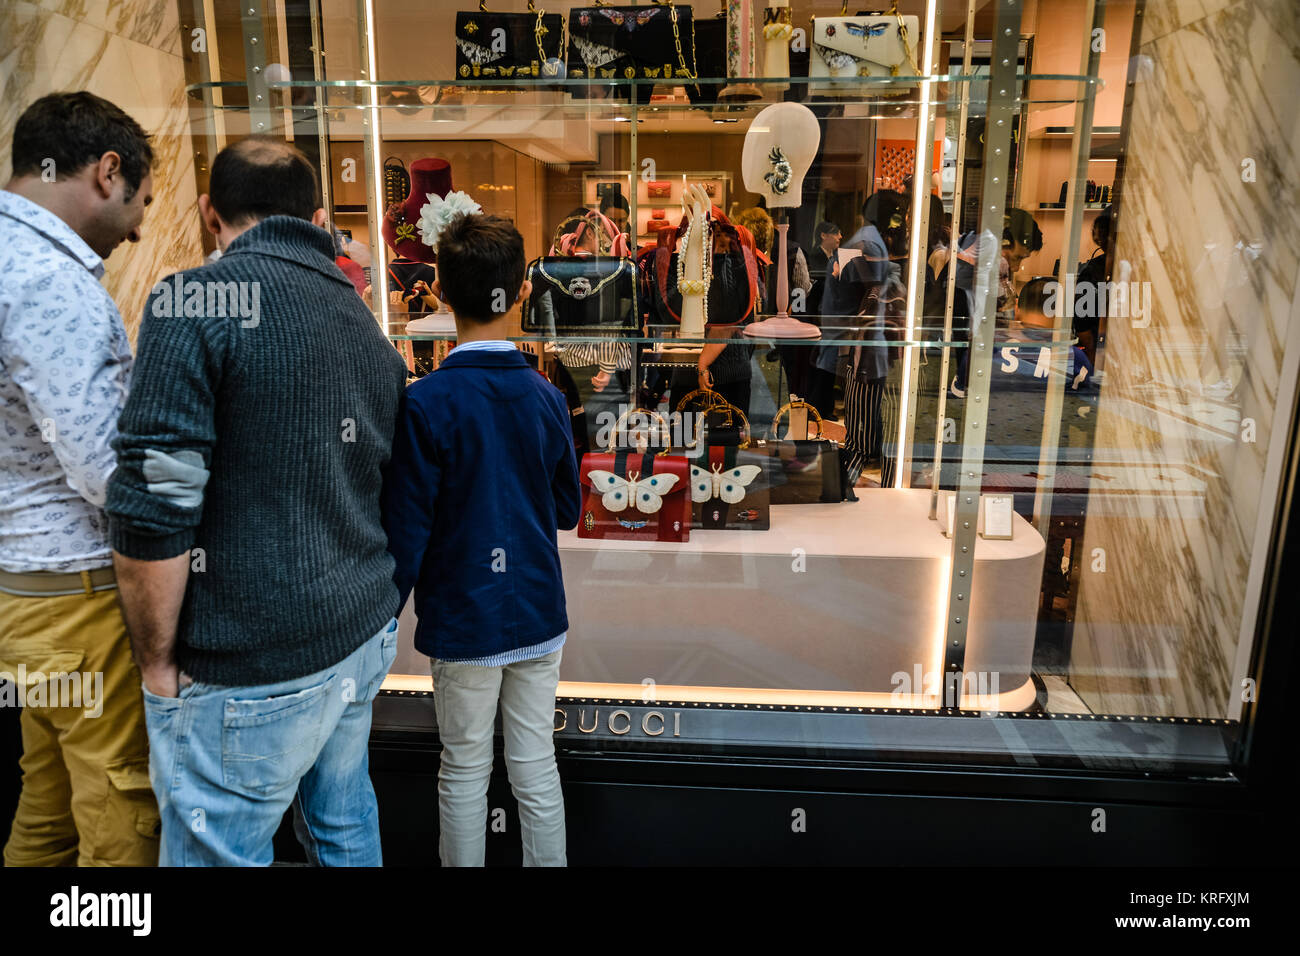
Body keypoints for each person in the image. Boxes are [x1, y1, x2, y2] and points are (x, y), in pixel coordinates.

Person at [105, 138, 407, 866]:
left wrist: (155, 662)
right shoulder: (363, 321)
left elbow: (156, 503)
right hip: (359, 634)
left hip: (251, 662)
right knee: (344, 826)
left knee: (223, 854)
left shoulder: (191, 302)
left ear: (210, 213)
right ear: (320, 217)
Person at [383, 213, 580, 867]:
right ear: (522, 292)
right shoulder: (548, 397)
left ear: (438, 290)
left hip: (462, 616)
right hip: (538, 612)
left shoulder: (426, 402)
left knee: (464, 770)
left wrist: (383, 616)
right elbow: (567, 511)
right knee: (534, 768)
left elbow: (407, 529)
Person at [0, 92, 158, 867]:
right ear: (105, 172)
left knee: (51, 798)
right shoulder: (49, 281)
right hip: (77, 601)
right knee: (120, 804)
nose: (138, 230)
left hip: (26, 595)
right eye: (140, 203)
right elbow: (104, 468)